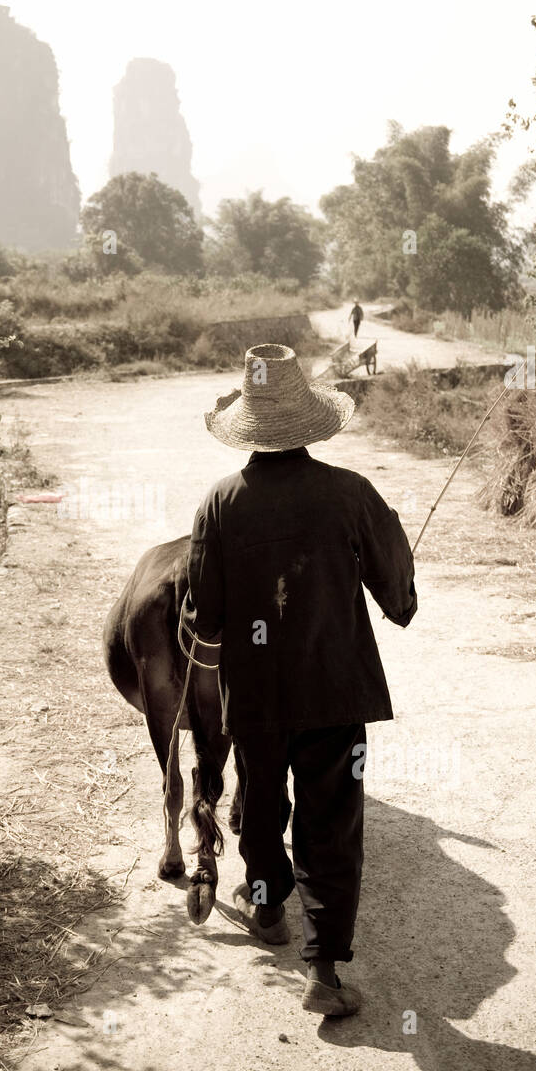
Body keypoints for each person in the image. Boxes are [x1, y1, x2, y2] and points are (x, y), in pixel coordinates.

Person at [184, 344, 416, 1017]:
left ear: (248, 427)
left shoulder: (220, 502)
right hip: (335, 691)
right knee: (331, 821)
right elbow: (397, 594)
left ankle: (266, 911)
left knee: (260, 805)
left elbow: (204, 617)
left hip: (255, 696)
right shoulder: (351, 492)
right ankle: (323, 971)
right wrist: (397, 591)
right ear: (308, 420)